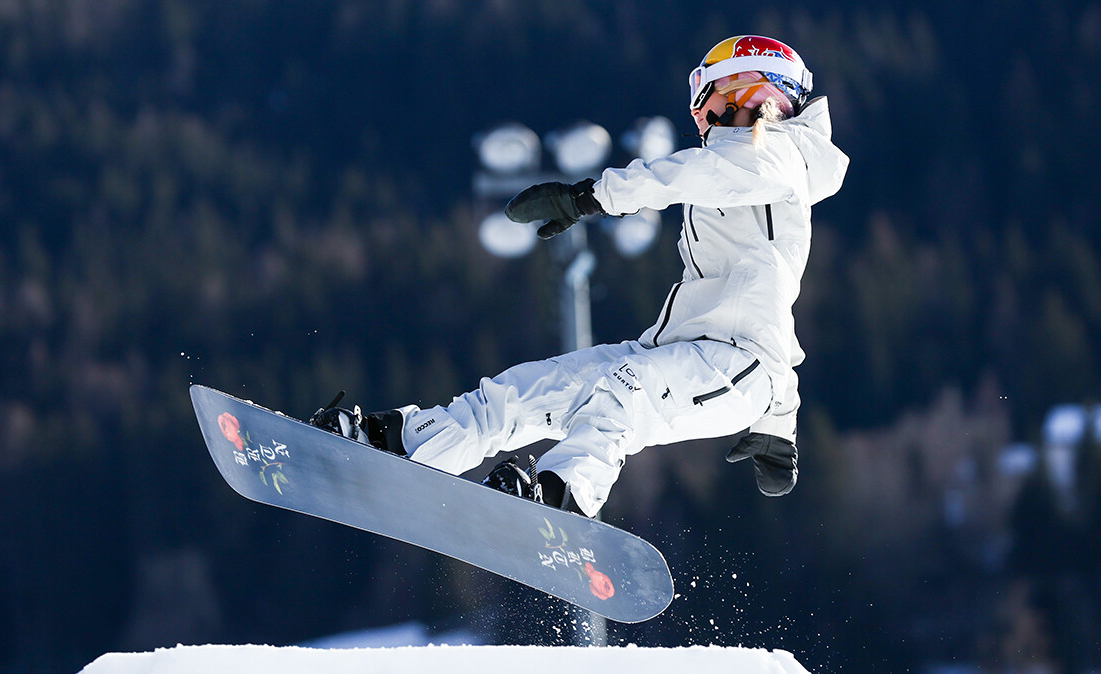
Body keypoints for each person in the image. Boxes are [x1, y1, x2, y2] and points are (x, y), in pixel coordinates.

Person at [312, 35, 849, 518]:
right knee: (529, 388)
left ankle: (564, 494)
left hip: (741, 366)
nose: (704, 123)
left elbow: (697, 178)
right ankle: (404, 442)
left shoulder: (779, 155)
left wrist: (589, 197)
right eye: (700, 112)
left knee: (620, 395)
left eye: (711, 105)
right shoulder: (744, 168)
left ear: (756, 96)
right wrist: (779, 427)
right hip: (681, 352)